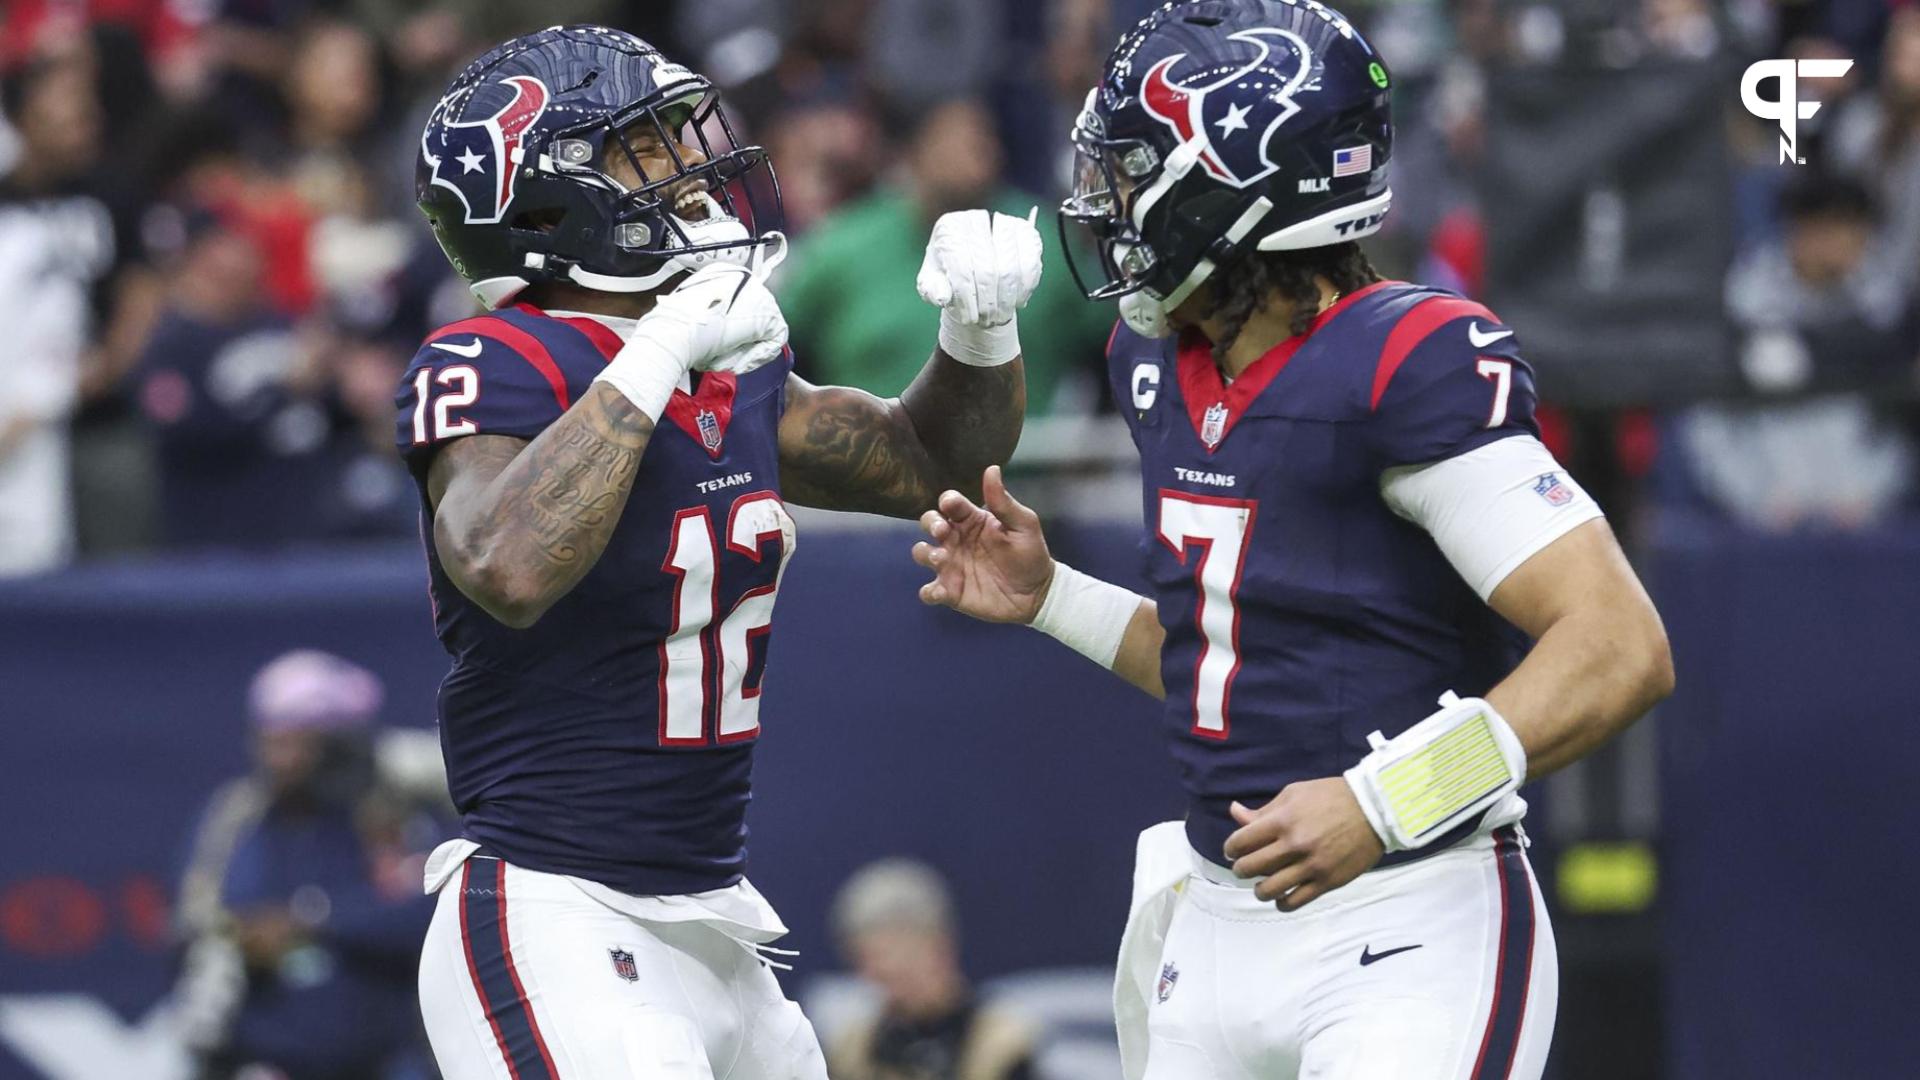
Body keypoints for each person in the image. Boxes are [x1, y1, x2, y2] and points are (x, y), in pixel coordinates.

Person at [913, 3, 1674, 1078]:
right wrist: (1052, 598)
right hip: (1213, 925)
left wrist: (1386, 801)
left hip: (1409, 916)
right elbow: (1228, 663)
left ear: (1231, 177)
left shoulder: (1407, 359)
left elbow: (1616, 645)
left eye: (1134, 167)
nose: (1107, 199)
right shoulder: (1157, 365)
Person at [399, 26, 1035, 1080]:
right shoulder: (494, 356)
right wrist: (651, 352)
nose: (690, 165)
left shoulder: (726, 364)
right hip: (557, 911)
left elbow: (930, 464)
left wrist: (979, 334)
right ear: (546, 203)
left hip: (716, 924)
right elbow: (505, 565)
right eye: (644, 147)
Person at [173, 650, 440, 1080]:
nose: (280, 759)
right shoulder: (237, 818)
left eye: (298, 742)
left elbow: (430, 910)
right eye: (271, 740)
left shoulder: (388, 814)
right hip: (270, 1058)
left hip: (388, 1055)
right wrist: (239, 933)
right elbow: (201, 916)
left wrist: (313, 919)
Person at [778, 97, 1111, 414]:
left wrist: (1098, 447)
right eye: (951, 140)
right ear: (913, 153)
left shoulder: (1039, 240)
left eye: (982, 138)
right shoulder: (844, 245)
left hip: (1025, 465)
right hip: (872, 465)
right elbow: (783, 345)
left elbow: (1106, 342)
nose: (974, 153)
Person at [826, 860, 1038, 1080]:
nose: (872, 978)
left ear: (939, 947)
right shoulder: (854, 1049)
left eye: (897, 968)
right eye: (865, 966)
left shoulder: (1001, 1043)